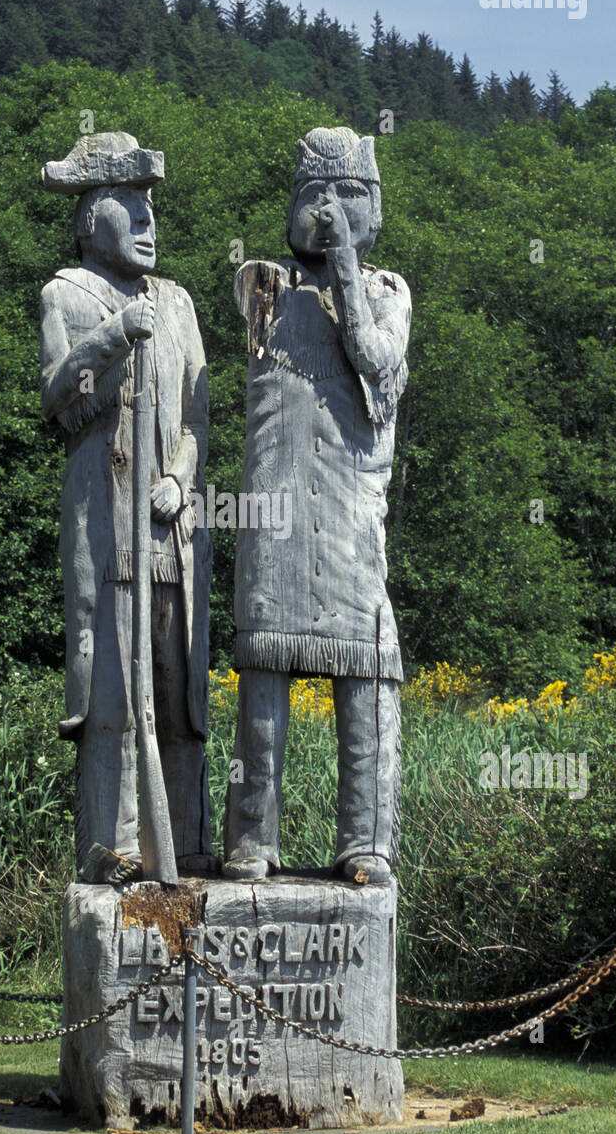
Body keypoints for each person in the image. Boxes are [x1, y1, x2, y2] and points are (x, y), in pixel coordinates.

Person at [223, 126, 411, 885]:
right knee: (264, 665)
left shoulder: (385, 291)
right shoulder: (262, 285)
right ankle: (250, 836)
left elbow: (374, 362)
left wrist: (343, 266)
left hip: (351, 518)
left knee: (366, 671)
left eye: (348, 195)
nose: (329, 210)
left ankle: (366, 841)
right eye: (313, 196)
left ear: (375, 209)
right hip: (273, 509)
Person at [39, 132, 213, 880]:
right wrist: (112, 335)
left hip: (171, 530)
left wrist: (180, 474)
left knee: (178, 694)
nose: (147, 220)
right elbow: (58, 402)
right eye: (128, 205)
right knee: (112, 690)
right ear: (89, 217)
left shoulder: (176, 301)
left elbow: (197, 415)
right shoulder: (65, 293)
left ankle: (187, 842)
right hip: (103, 523)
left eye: (150, 204)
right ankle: (113, 845)